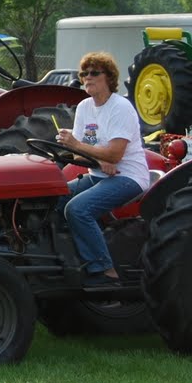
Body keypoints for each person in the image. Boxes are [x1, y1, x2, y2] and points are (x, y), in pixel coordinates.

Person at [54, 52, 152, 287]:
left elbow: (115, 154)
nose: (87, 78)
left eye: (94, 73)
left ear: (109, 78)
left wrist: (78, 145)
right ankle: (67, 260)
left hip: (128, 177)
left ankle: (105, 271)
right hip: (98, 174)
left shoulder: (120, 108)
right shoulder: (84, 107)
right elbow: (79, 156)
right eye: (84, 73)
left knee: (78, 209)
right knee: (53, 199)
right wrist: (97, 161)